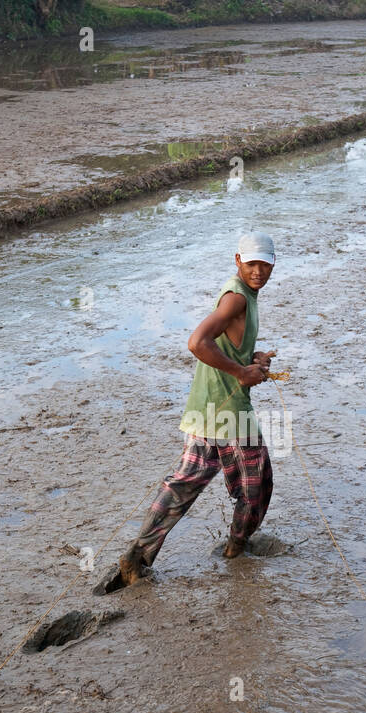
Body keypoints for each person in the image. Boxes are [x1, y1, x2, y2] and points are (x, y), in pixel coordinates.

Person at [116, 232, 279, 586]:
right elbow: (197, 342)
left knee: (184, 485)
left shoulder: (242, 295)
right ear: (238, 260)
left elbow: (223, 344)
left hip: (205, 409)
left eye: (265, 264)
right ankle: (236, 548)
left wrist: (252, 360)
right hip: (229, 414)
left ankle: (139, 554)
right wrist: (240, 372)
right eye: (252, 264)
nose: (259, 271)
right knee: (257, 486)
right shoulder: (236, 298)